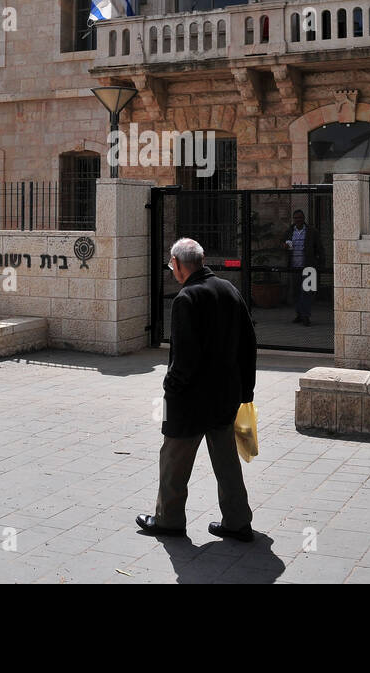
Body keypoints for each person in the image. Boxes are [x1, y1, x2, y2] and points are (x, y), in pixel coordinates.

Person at [136, 237, 257, 542]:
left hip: (190, 401)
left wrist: (170, 386)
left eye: (170, 264)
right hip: (225, 396)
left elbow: (184, 359)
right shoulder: (229, 289)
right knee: (226, 461)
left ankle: (169, 520)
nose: (171, 269)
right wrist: (246, 391)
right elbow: (249, 342)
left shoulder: (186, 299)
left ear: (177, 264)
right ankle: (238, 521)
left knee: (174, 460)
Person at [283, 209, 323, 326]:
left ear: (304, 218)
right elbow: (284, 244)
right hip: (294, 267)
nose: (298, 220)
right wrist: (284, 246)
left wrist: (320, 263)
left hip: (308, 267)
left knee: (307, 292)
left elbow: (319, 248)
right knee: (296, 292)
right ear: (293, 219)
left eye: (300, 218)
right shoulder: (290, 231)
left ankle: (306, 316)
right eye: (296, 218)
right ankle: (299, 314)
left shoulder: (312, 231)